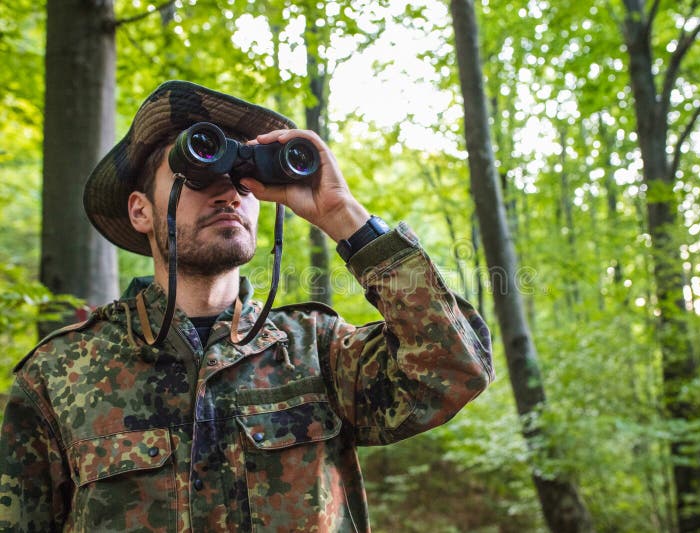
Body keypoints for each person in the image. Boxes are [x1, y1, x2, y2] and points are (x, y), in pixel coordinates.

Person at [0, 80, 493, 532]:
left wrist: (345, 217)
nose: (227, 192)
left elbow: (456, 369)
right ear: (140, 210)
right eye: (196, 172)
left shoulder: (318, 351)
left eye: (242, 177)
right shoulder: (60, 374)